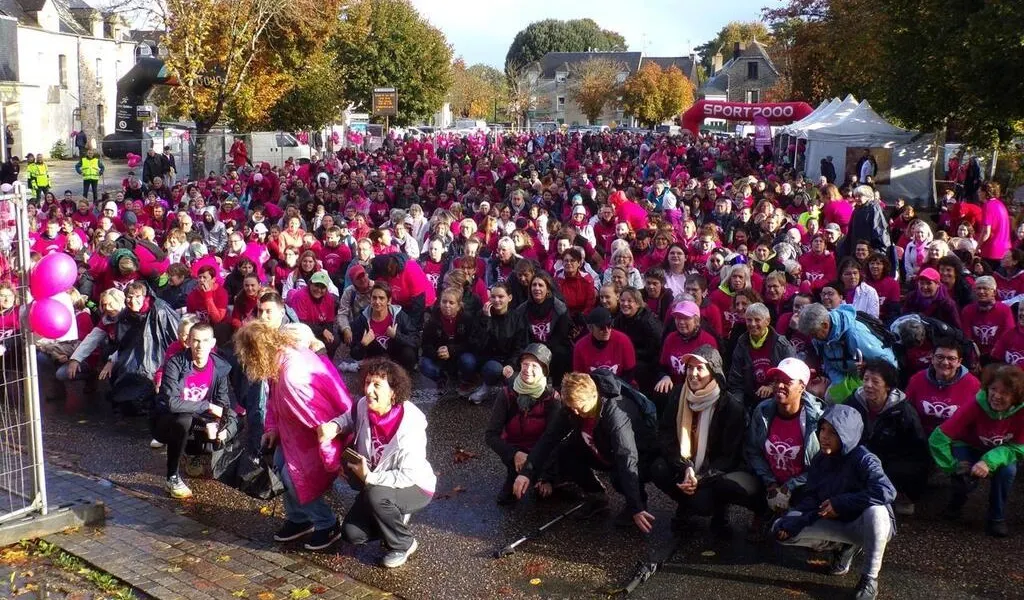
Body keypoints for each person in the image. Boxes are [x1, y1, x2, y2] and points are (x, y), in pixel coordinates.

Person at [234, 321, 353, 551]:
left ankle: (327, 523)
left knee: (292, 478)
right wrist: (273, 429)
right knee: (279, 466)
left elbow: (322, 423)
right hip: (293, 434)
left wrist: (333, 463)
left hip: (313, 439)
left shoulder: (290, 376)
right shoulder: (280, 359)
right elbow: (275, 404)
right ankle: (299, 519)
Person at [318, 357, 435, 568]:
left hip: (415, 485)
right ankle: (392, 517)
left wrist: (369, 477)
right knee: (352, 533)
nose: (369, 389)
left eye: (377, 384)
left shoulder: (412, 424)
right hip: (379, 482)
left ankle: (404, 544)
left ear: (393, 392)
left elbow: (407, 474)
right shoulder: (363, 406)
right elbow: (348, 417)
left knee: (376, 494)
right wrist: (334, 426)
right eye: (367, 382)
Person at [773, 404, 896, 600]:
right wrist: (793, 521)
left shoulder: (865, 458)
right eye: (822, 429)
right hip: (838, 524)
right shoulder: (820, 460)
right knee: (781, 529)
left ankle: (870, 579)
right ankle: (842, 548)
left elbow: (887, 491)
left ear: (847, 434)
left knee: (877, 512)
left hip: (864, 526)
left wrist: (841, 503)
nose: (824, 436)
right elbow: (812, 497)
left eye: (833, 432)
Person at [513, 370, 658, 532]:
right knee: (565, 450)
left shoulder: (615, 413)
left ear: (593, 396)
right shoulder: (574, 403)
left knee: (619, 477)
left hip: (637, 455)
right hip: (600, 446)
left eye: (580, 408)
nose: (576, 413)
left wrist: (635, 505)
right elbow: (550, 437)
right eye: (571, 408)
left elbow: (627, 457)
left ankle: (639, 504)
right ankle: (597, 496)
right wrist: (526, 473)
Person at [651, 345, 751, 536]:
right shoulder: (679, 394)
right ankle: (685, 504)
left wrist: (701, 477)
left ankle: (720, 511)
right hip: (687, 465)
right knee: (658, 468)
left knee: (705, 503)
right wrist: (685, 467)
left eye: (700, 368)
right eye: (689, 367)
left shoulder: (730, 406)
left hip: (713, 471)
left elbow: (730, 456)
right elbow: (666, 434)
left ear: (713, 372)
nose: (693, 374)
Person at [929, 365, 1024, 538]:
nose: (996, 396)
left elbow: (1019, 447)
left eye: (1005, 393)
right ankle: (955, 503)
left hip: (1001, 450)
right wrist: (951, 465)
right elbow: (938, 437)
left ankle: (997, 516)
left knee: (1008, 471)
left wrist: (988, 462)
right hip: (968, 445)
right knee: (963, 471)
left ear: (1016, 397)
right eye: (993, 389)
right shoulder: (976, 403)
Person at [151, 323, 238, 499]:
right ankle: (172, 477)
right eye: (196, 341)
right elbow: (172, 403)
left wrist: (218, 426)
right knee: (184, 419)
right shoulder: (175, 363)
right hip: (167, 420)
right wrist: (207, 406)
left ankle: (194, 453)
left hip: (200, 419)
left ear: (212, 342)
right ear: (189, 341)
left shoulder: (219, 367)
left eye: (205, 341)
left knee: (234, 421)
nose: (200, 346)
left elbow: (223, 404)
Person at [745, 358, 824, 535]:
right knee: (737, 486)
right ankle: (763, 512)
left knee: (793, 530)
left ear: (802, 387)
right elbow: (753, 451)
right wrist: (770, 483)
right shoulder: (763, 411)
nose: (780, 385)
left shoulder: (817, 420)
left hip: (802, 484)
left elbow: (821, 465)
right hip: (769, 479)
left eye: (787, 382)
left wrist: (790, 485)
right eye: (777, 380)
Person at [846, 359, 930, 516]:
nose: (868, 385)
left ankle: (902, 495)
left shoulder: (904, 411)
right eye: (866, 379)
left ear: (888, 386)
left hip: (892, 460)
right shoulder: (853, 402)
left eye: (875, 381)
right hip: (861, 456)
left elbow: (919, 450)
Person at [484, 344, 560, 505]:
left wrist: (547, 476)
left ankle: (546, 477)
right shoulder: (507, 393)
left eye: (534, 366)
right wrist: (514, 454)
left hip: (541, 452)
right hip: (515, 450)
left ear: (544, 371)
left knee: (544, 497)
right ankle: (514, 474)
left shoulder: (552, 398)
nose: (528, 369)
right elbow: (491, 435)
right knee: (505, 500)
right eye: (525, 364)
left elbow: (553, 439)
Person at [798, 303, 896, 402]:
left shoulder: (856, 335)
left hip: (871, 380)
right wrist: (842, 386)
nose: (813, 338)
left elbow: (889, 363)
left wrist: (866, 370)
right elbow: (829, 365)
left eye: (814, 334)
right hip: (848, 378)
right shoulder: (820, 338)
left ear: (825, 325)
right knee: (830, 398)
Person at [726, 302, 795, 414]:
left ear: (767, 321)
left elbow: (792, 375)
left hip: (777, 397)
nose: (752, 324)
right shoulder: (742, 343)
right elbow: (735, 379)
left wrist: (772, 387)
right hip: (750, 399)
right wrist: (737, 404)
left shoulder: (781, 344)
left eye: (757, 320)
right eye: (749, 320)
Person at [905, 339, 982, 435]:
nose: (945, 362)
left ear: (959, 362)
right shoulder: (917, 380)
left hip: (955, 440)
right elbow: (906, 411)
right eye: (940, 357)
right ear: (932, 359)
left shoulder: (973, 384)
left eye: (951, 358)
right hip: (921, 436)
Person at [471, 282, 528, 404]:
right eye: (493, 296)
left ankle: (506, 387)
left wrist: (511, 365)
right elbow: (479, 344)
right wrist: (486, 320)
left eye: (501, 297)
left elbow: (520, 345)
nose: (496, 300)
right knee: (492, 368)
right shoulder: (482, 315)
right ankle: (485, 386)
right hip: (489, 360)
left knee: (515, 391)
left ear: (509, 298)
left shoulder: (517, 317)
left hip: (510, 361)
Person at [419, 287, 479, 396]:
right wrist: (437, 353)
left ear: (459, 305)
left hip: (459, 354)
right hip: (440, 356)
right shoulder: (432, 320)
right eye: (444, 301)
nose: (447, 305)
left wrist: (451, 350)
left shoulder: (467, 319)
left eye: (451, 303)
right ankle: (441, 378)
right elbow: (425, 345)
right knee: (424, 364)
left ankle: (466, 380)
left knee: (469, 361)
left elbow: (471, 343)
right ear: (439, 302)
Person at [349, 282, 420, 372]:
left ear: (389, 301)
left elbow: (416, 340)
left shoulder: (400, 316)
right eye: (374, 298)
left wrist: (396, 336)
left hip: (396, 359)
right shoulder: (362, 319)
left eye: (381, 298)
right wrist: (363, 344)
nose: (377, 302)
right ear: (370, 299)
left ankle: (405, 377)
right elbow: (354, 354)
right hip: (375, 361)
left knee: (408, 353)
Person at [573, 306, 636, 379]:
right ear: (590, 328)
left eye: (609, 325)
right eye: (601, 327)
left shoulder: (623, 340)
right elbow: (579, 377)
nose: (607, 330)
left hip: (621, 384)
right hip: (592, 386)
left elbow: (630, 373)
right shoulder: (580, 346)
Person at [961, 276, 1014, 362]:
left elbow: (1008, 335)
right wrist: (973, 359)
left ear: (994, 292)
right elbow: (967, 337)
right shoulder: (967, 310)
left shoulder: (1004, 310)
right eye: (978, 288)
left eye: (985, 288)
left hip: (997, 356)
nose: (981, 292)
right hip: (975, 355)